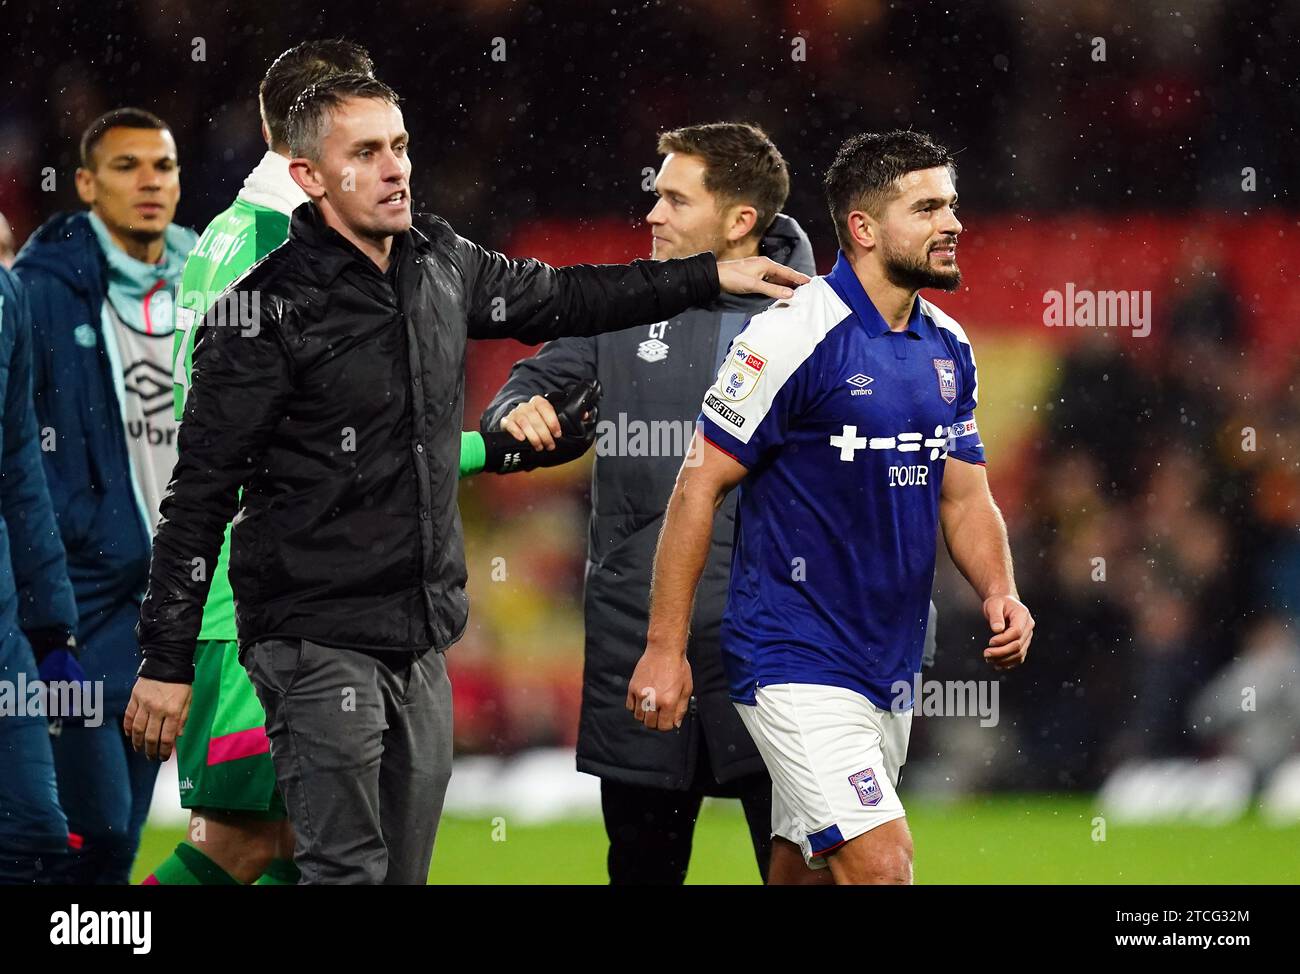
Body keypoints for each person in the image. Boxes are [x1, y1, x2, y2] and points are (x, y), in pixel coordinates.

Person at [128, 74, 808, 884]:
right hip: (314, 636)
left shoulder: (440, 265)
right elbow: (198, 498)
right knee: (334, 867)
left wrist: (705, 278)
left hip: (419, 639)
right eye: (366, 153)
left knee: (389, 873)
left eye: (401, 147)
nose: (395, 169)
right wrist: (166, 660)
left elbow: (565, 294)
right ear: (309, 178)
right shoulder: (264, 312)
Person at [628, 130, 1034, 885]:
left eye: (951, 205)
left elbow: (965, 492)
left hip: (888, 664)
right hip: (793, 655)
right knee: (881, 865)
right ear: (864, 229)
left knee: (806, 872)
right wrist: (664, 646)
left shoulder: (948, 345)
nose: (952, 223)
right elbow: (698, 485)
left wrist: (999, 589)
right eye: (927, 208)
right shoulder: (789, 335)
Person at [484, 122, 833, 884]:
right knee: (641, 869)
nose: (653, 213)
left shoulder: (820, 326)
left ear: (740, 221)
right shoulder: (624, 304)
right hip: (638, 647)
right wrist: (518, 410)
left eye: (675, 198)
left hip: (774, 654)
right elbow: (528, 383)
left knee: (803, 872)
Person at [14, 108, 198, 884]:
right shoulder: (41, 291)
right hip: (81, 600)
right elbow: (19, 437)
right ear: (86, 184)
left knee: (123, 828)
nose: (149, 182)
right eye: (126, 167)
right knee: (88, 834)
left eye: (161, 166)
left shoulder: (211, 282)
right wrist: (73, 534)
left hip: (177, 596)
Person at [0, 264, 81, 884]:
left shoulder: (6, 299)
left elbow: (21, 466)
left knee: (33, 832)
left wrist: (52, 627)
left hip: (4, 626)